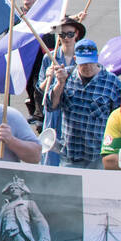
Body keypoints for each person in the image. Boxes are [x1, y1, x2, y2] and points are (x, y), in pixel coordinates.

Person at [46, 38, 121, 168]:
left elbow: (119, 118)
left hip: (98, 156)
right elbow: (50, 106)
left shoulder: (112, 82)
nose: (87, 67)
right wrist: (60, 84)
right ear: (75, 59)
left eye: (90, 62)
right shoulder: (65, 76)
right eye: (83, 63)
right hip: (70, 155)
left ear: (97, 58)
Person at [37, 17, 83, 164]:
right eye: (62, 34)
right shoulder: (49, 57)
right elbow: (40, 89)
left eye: (70, 34)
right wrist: (48, 77)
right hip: (53, 111)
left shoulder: (82, 57)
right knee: (51, 151)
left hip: (74, 110)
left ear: (76, 34)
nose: (66, 38)